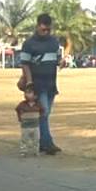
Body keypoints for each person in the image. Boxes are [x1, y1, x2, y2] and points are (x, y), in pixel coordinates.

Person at [19, 13, 62, 154]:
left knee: (45, 113)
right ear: (37, 26)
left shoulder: (54, 42)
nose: (46, 32)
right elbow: (25, 64)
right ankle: (47, 142)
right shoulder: (29, 44)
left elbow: (57, 59)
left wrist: (61, 62)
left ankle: (41, 141)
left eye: (49, 29)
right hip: (37, 83)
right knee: (43, 112)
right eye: (44, 29)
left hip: (51, 83)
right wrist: (29, 82)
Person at [15, 83, 45, 156]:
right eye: (25, 93)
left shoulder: (38, 104)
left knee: (36, 139)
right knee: (24, 139)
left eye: (29, 93)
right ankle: (23, 151)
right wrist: (20, 117)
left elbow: (42, 110)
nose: (26, 94)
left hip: (35, 126)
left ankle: (36, 151)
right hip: (25, 126)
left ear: (35, 96)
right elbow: (17, 110)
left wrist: (39, 116)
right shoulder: (22, 104)